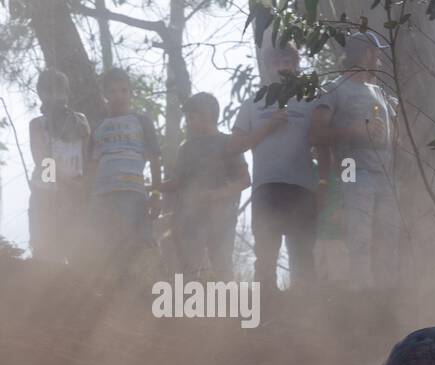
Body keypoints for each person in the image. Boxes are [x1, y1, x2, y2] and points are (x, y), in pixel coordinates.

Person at [309, 29, 398, 287]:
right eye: (376, 52)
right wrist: (357, 130)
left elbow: (394, 135)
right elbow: (315, 135)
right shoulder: (334, 89)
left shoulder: (379, 91)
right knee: (359, 237)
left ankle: (388, 295)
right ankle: (363, 297)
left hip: (385, 174)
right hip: (353, 170)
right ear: (367, 53)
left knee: (388, 237)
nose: (379, 58)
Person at [231, 40, 318, 289]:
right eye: (276, 63)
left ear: (296, 65)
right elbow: (235, 146)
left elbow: (323, 143)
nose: (281, 68)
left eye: (287, 62)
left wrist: (324, 182)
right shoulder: (253, 102)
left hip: (302, 187)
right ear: (267, 67)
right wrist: (268, 126)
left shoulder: (309, 101)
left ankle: (307, 309)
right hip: (266, 186)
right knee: (266, 254)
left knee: (303, 253)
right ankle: (266, 305)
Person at [160, 92, 249, 279]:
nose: (188, 122)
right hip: (190, 217)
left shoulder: (228, 142)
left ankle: (228, 306)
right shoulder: (186, 148)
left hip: (222, 217)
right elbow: (178, 182)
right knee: (189, 267)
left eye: (191, 117)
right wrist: (152, 186)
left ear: (207, 114)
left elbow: (245, 180)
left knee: (223, 265)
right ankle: (189, 305)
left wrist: (218, 194)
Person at [89, 67, 162, 270]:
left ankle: (149, 292)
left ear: (131, 92)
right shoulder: (98, 126)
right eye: (112, 91)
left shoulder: (142, 122)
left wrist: (156, 194)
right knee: (107, 249)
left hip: (133, 193)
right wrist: (90, 198)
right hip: (103, 196)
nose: (118, 96)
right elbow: (92, 165)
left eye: (123, 90)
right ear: (104, 95)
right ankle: (113, 296)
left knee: (142, 245)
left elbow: (155, 159)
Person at [28, 69, 91, 264]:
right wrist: (66, 185)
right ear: (41, 94)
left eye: (60, 91)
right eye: (49, 91)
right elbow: (43, 163)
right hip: (46, 197)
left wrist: (82, 186)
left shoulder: (80, 121)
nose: (56, 97)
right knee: (45, 256)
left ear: (67, 93)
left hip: (75, 199)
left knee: (77, 255)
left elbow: (86, 158)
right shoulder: (38, 124)